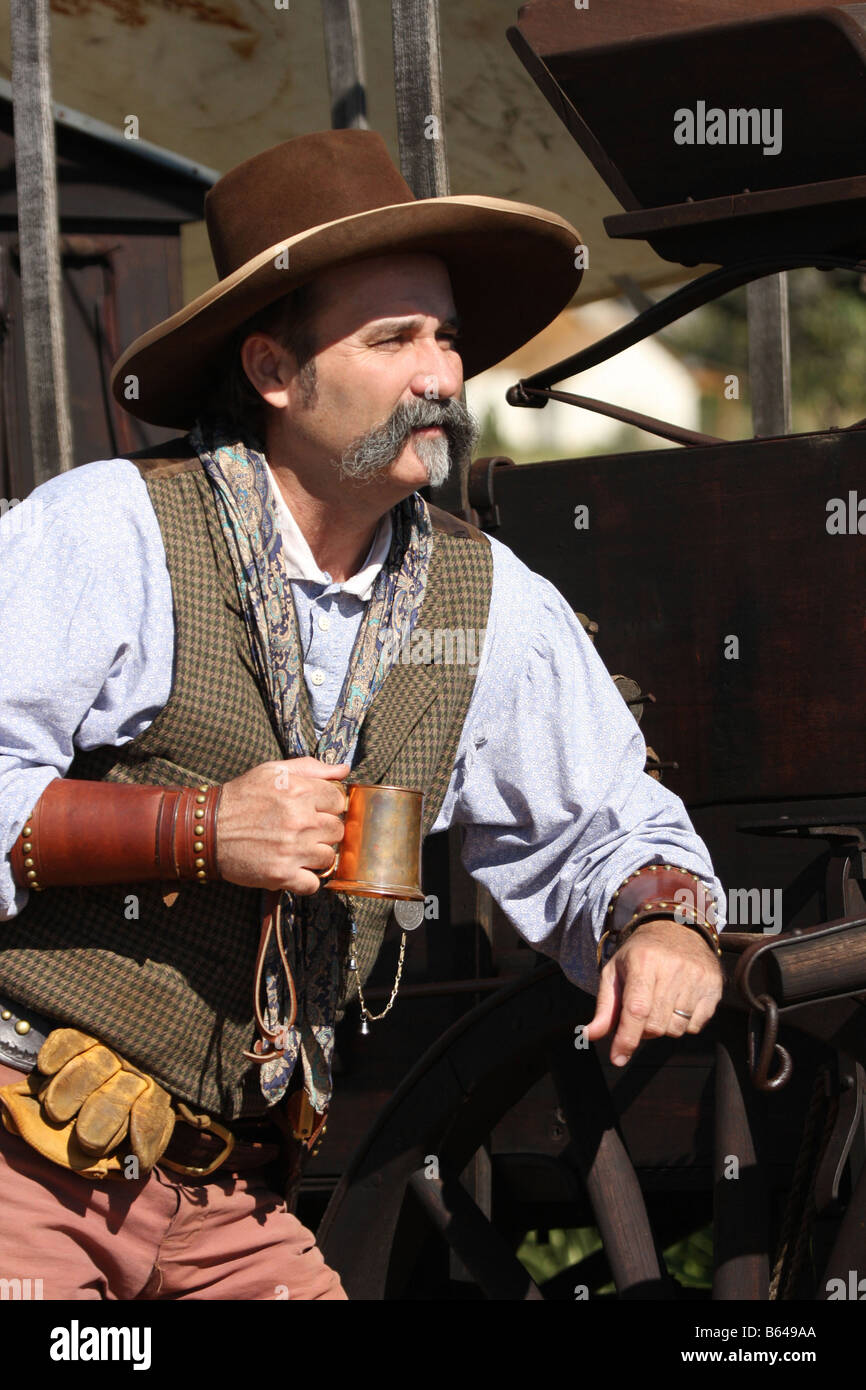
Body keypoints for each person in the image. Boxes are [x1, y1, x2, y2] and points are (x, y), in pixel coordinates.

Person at [0, 129, 725, 1300]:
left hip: (231, 1197)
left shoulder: (485, 601)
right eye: (392, 339)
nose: (440, 372)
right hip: (21, 1165)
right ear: (276, 373)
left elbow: (603, 825)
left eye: (444, 336)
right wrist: (193, 830)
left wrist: (659, 920)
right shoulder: (113, 530)